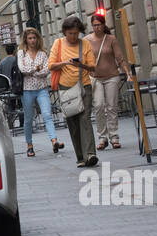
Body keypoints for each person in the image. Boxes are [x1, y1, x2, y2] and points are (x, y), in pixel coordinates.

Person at [48, 16, 97, 167]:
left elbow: (93, 67)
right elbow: (51, 66)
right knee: (73, 124)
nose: (73, 36)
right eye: (70, 33)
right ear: (65, 32)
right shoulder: (58, 44)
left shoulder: (85, 44)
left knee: (85, 119)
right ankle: (80, 158)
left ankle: (91, 154)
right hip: (66, 88)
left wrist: (81, 65)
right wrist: (65, 63)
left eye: (76, 33)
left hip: (84, 86)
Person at [17, 27, 63, 157]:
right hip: (27, 90)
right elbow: (22, 69)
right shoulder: (22, 52)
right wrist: (36, 69)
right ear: (26, 39)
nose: (32, 40)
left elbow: (46, 70)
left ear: (38, 39)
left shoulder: (43, 53)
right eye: (30, 38)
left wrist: (33, 70)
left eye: (34, 38)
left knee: (47, 114)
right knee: (28, 119)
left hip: (42, 88)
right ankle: (29, 145)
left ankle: (54, 140)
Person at [89, 13, 132, 150]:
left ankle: (114, 137)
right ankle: (102, 137)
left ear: (103, 25)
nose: (97, 28)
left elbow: (120, 57)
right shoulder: (87, 40)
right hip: (95, 78)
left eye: (99, 25)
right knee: (99, 106)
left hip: (112, 76)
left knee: (112, 106)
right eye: (94, 25)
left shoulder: (111, 39)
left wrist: (128, 73)